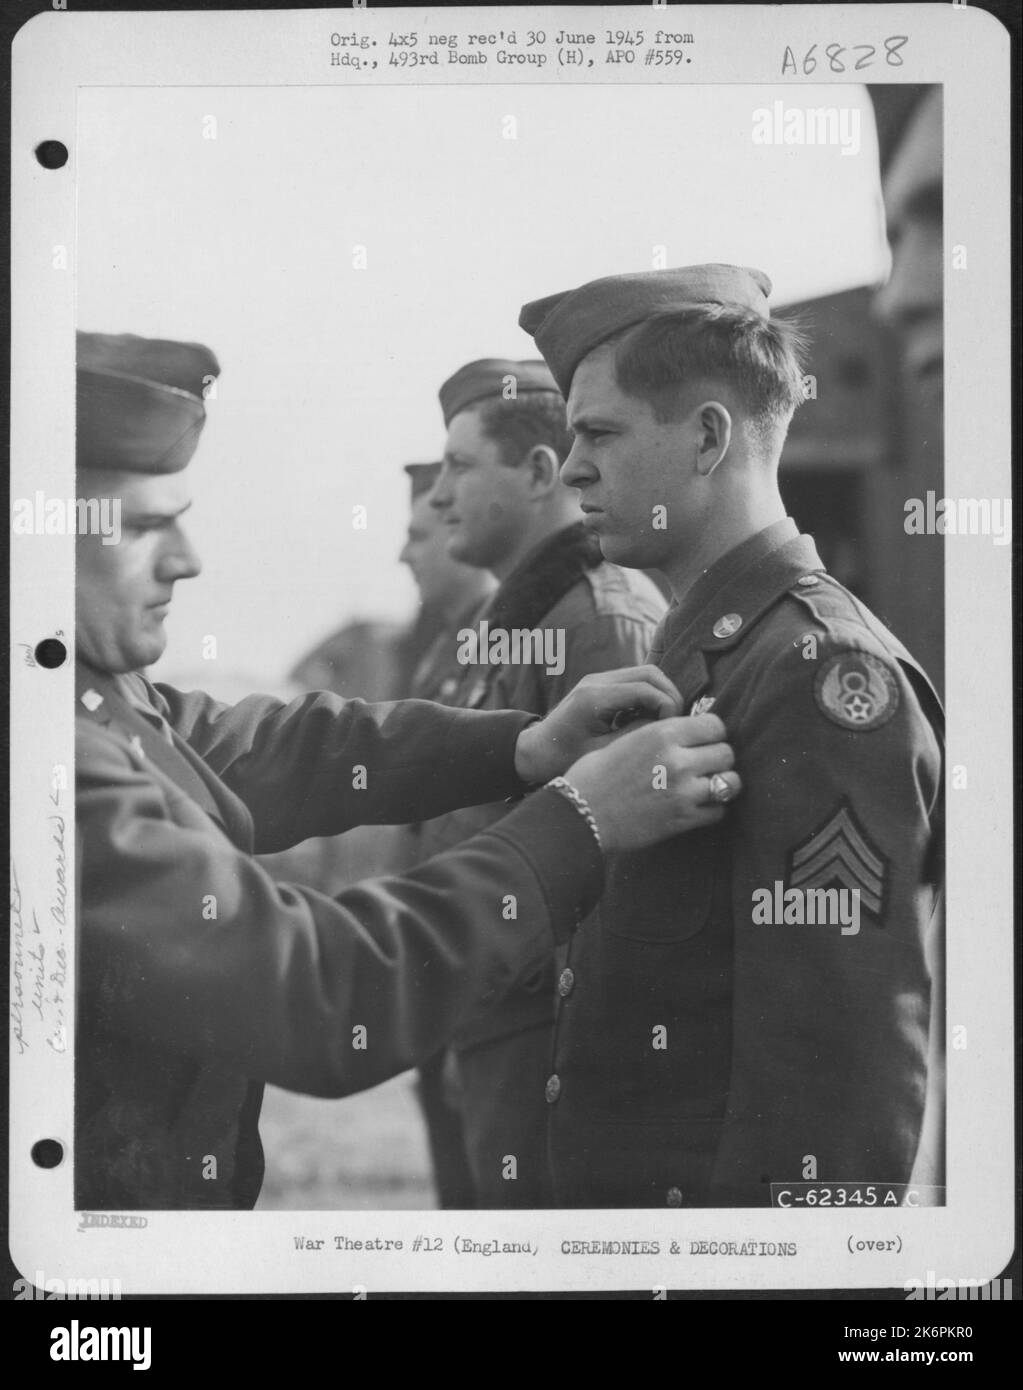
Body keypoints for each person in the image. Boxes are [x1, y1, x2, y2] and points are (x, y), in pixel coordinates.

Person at [73, 330, 739, 1210]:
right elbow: (314, 992)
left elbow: (246, 747)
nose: (188, 559)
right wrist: (577, 819)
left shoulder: (88, 686)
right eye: (146, 526)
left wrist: (520, 747)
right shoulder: (58, 760)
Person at [518, 264, 945, 1207]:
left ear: (709, 437)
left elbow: (833, 1094)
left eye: (599, 433)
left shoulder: (816, 676)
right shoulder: (697, 660)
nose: (575, 467)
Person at [411, 358, 665, 1208]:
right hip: (497, 1017)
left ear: (535, 472)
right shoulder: (513, 620)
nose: (438, 494)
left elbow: (625, 867)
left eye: (457, 465)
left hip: (554, 1041)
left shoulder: (599, 621)